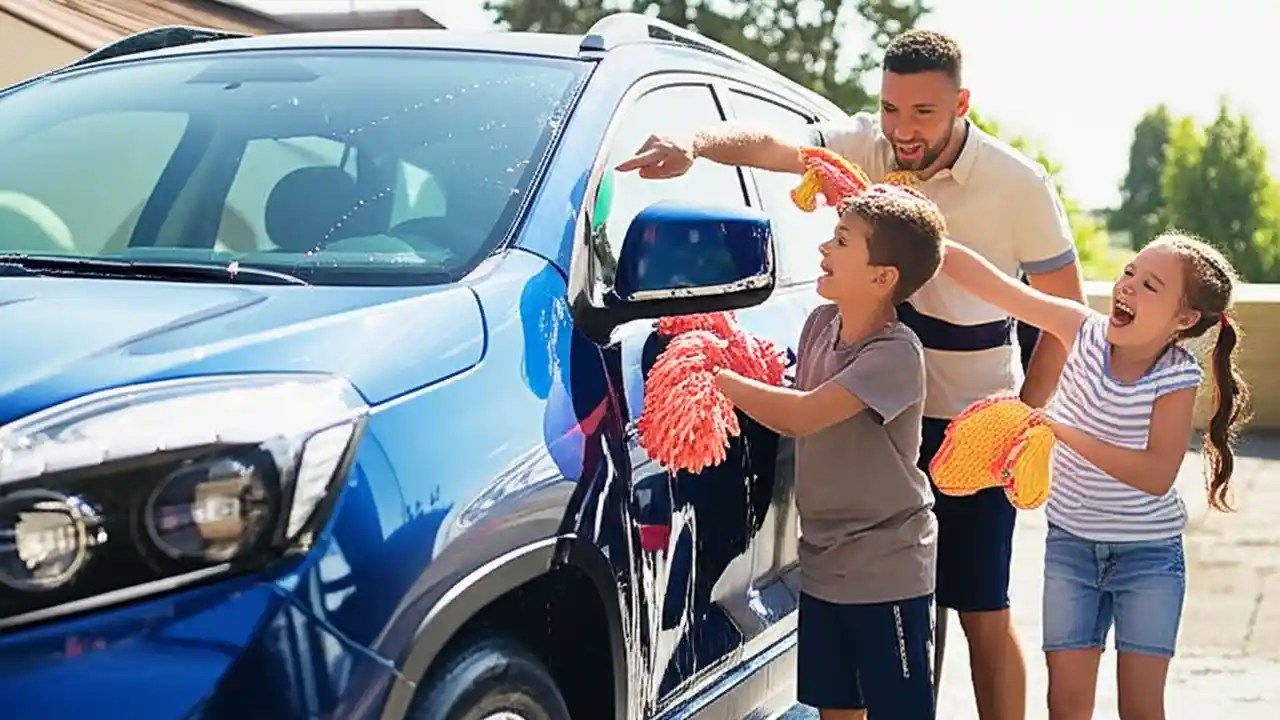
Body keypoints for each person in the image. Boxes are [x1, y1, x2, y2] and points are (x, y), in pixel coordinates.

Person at [616, 28, 1086, 719]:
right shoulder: (867, 144)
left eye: (922, 113)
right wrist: (695, 145)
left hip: (974, 424)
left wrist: (1022, 421)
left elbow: (1063, 313)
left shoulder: (1018, 184)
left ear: (962, 103)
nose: (902, 129)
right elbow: (776, 149)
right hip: (873, 417)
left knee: (980, 606)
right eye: (891, 109)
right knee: (894, 610)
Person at [937, 231, 1250, 719]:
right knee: (1064, 705)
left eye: (1151, 286)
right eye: (1130, 273)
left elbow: (1155, 475)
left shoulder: (1176, 376)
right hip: (1072, 549)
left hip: (1149, 559)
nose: (1128, 287)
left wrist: (1061, 428)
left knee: (1140, 708)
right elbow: (997, 286)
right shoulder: (1077, 328)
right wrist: (917, 231)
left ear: (1183, 320)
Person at [713, 184, 944, 719]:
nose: (824, 249)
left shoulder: (895, 354)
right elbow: (788, 392)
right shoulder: (820, 324)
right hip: (823, 567)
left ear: (882, 278)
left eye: (841, 241)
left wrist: (716, 378)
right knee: (835, 710)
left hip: (887, 569)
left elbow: (800, 414)